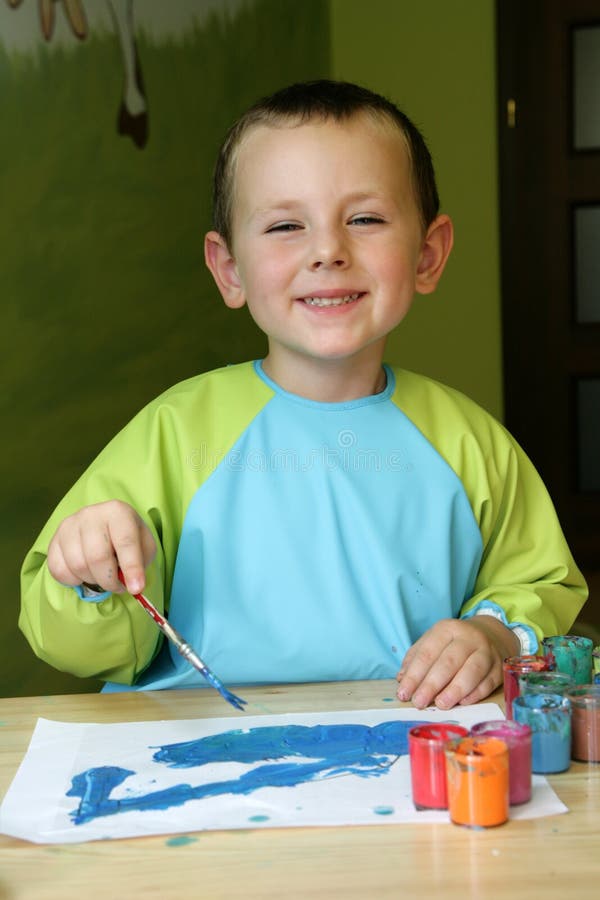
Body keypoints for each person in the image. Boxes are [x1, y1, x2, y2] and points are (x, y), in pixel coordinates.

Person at [20, 80, 587, 710]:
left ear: (428, 254)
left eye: (365, 219)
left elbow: (540, 585)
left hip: (405, 758)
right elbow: (72, 645)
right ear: (229, 268)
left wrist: (493, 636)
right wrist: (88, 578)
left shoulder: (468, 443)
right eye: (286, 225)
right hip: (195, 761)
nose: (327, 252)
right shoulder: (173, 432)